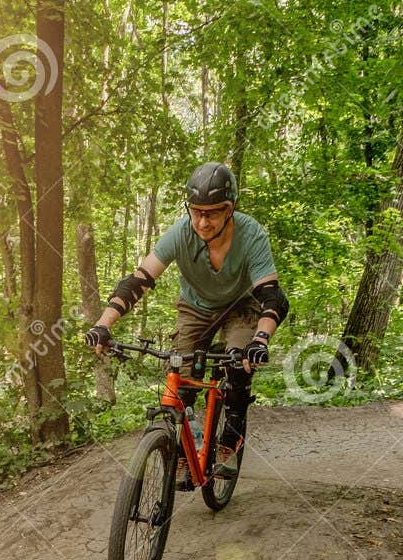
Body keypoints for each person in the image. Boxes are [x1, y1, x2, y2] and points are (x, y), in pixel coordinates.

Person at [85, 162, 289, 481]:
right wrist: (103, 324)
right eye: (196, 212)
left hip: (240, 307)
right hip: (195, 308)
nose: (202, 222)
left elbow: (272, 295)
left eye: (212, 213)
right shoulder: (181, 233)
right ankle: (182, 453)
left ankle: (228, 444)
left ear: (230, 209)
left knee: (238, 366)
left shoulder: (251, 234)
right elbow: (139, 280)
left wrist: (260, 340)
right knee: (178, 378)